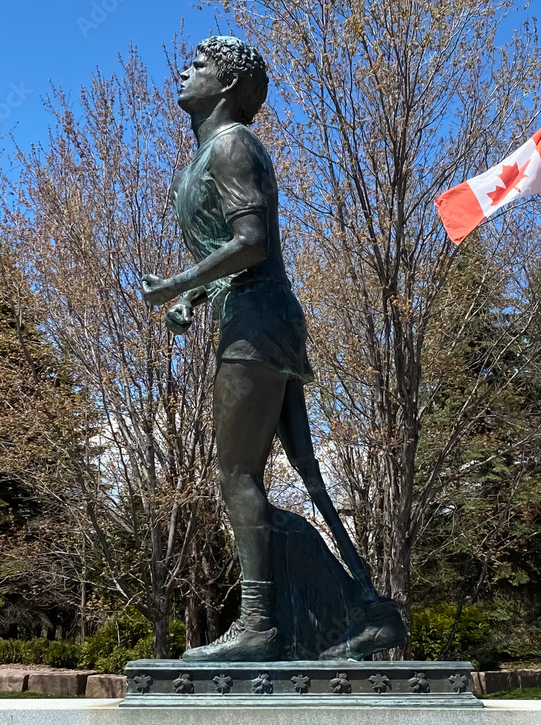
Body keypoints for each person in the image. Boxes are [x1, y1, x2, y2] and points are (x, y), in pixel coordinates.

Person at [140, 35, 398, 662]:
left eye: (198, 64)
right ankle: (366, 610)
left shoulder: (230, 145)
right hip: (258, 318)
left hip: (258, 326)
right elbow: (238, 255)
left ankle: (258, 624)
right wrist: (194, 298)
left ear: (227, 85)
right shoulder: (211, 153)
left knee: (236, 474)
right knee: (307, 473)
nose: (183, 67)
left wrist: (179, 281)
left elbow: (251, 242)